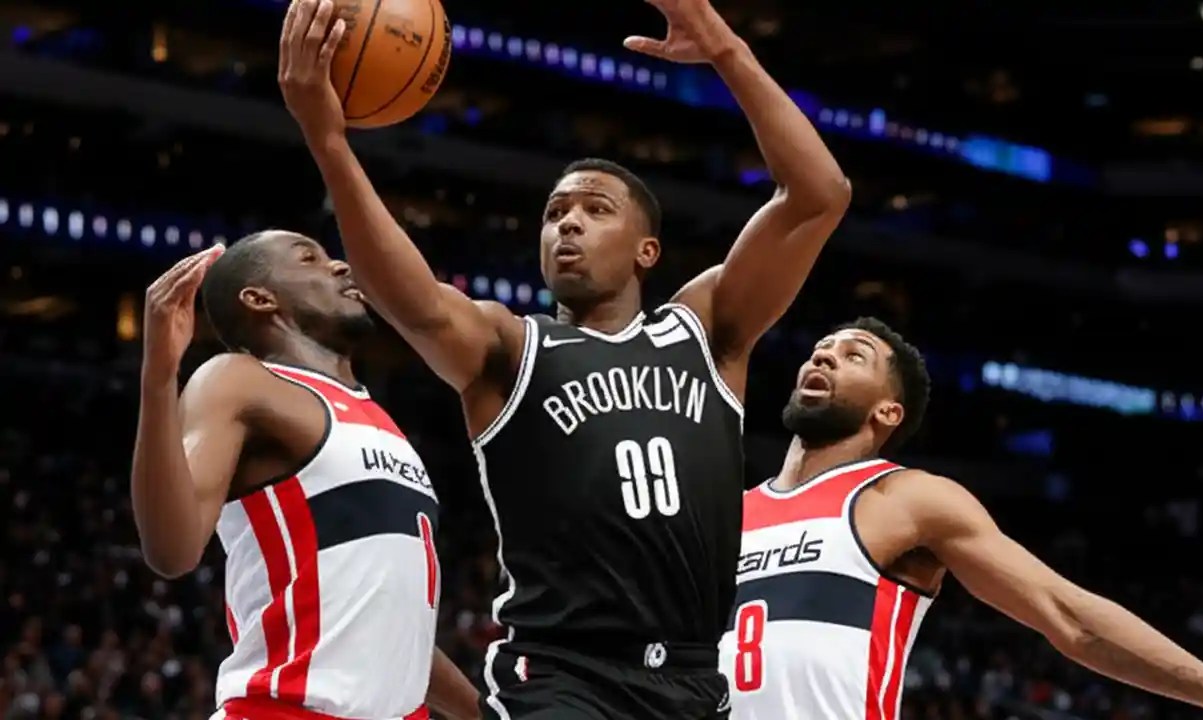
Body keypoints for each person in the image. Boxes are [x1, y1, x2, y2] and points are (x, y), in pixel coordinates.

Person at [277, 0, 851, 716]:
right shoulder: (510, 347)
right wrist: (329, 142)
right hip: (560, 677)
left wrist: (729, 53)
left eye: (595, 209)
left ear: (648, 252)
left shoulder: (706, 331)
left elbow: (819, 196)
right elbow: (412, 300)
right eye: (554, 214)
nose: (568, 222)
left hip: (696, 682)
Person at [717, 318, 1203, 720]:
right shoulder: (726, 514)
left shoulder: (904, 498)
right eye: (821, 348)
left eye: (853, 354)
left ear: (888, 411)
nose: (823, 356)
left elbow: (1067, 614)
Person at [130, 234, 480, 720]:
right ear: (259, 297)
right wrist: (159, 378)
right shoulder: (239, 379)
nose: (339, 265)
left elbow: (390, 627)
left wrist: (480, 711)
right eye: (308, 257)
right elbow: (172, 550)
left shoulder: (380, 419)